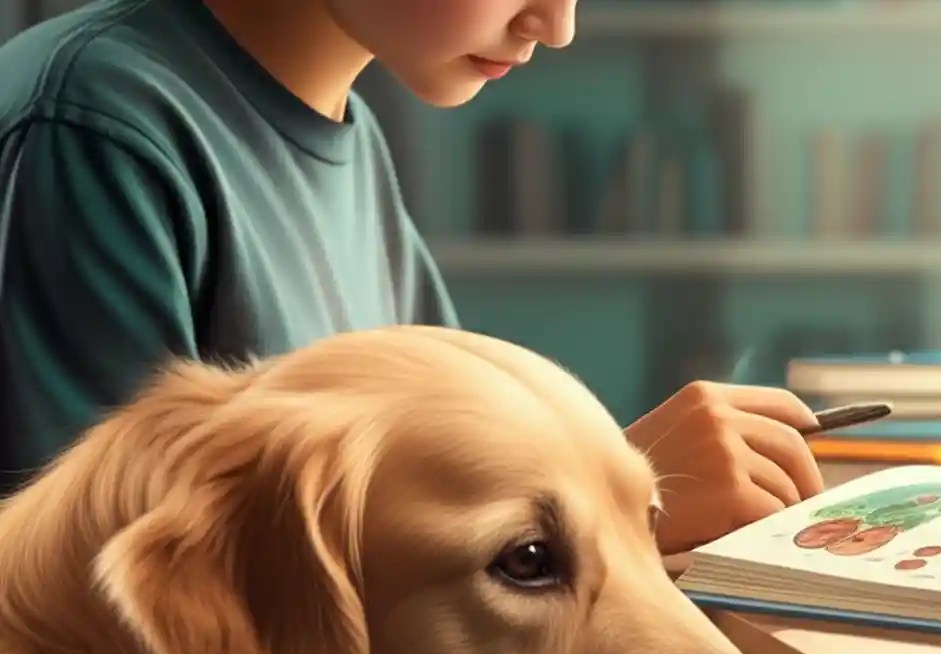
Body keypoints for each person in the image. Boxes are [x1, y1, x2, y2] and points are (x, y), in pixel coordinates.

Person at [0, 0, 825, 555]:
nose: (558, 23)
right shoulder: (97, 129)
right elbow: (95, 602)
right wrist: (615, 503)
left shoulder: (348, 139)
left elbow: (435, 482)